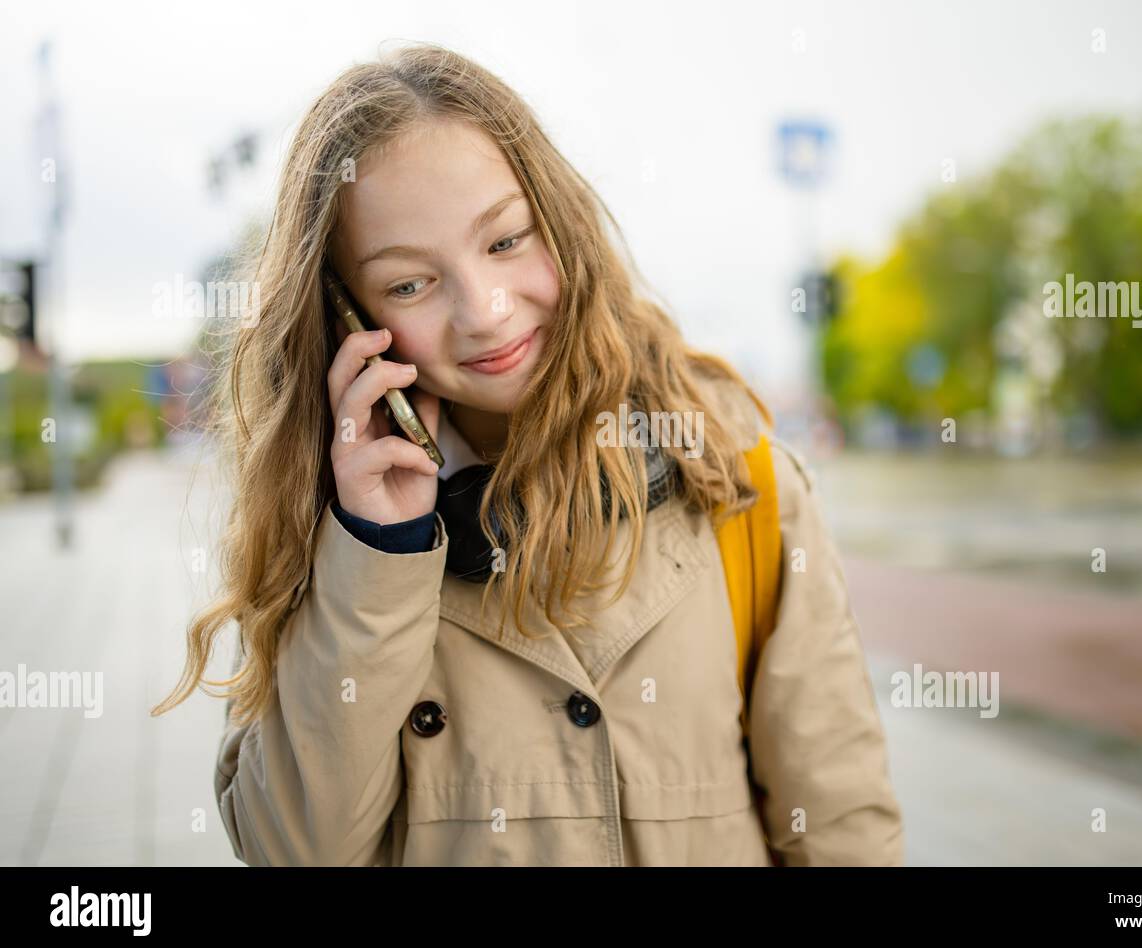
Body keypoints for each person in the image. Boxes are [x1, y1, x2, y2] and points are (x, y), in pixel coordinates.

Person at [154, 43, 903, 866]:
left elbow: (842, 831)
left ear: (559, 216)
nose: (486, 311)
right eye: (410, 284)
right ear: (344, 317)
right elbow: (294, 850)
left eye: (506, 241)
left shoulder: (734, 473)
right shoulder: (319, 532)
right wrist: (377, 557)